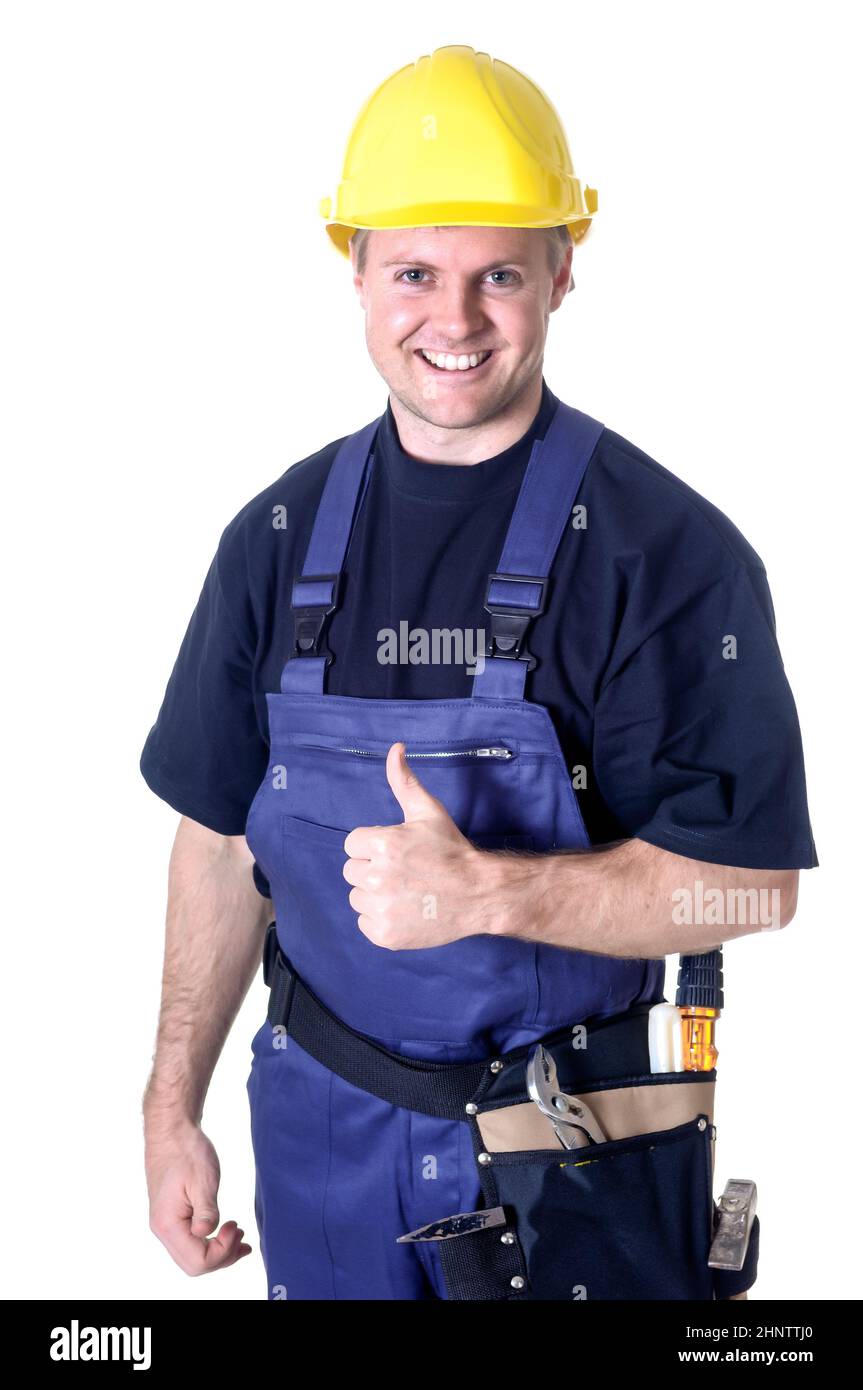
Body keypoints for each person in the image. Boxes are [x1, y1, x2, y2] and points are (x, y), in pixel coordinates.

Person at [140, 45, 817, 1301]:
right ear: (353, 271)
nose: (450, 323)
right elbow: (217, 844)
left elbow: (749, 894)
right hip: (320, 1143)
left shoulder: (666, 559)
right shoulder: (272, 543)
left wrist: (488, 893)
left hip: (561, 1157)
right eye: (413, 273)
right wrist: (170, 1102)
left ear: (563, 269)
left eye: (497, 274)